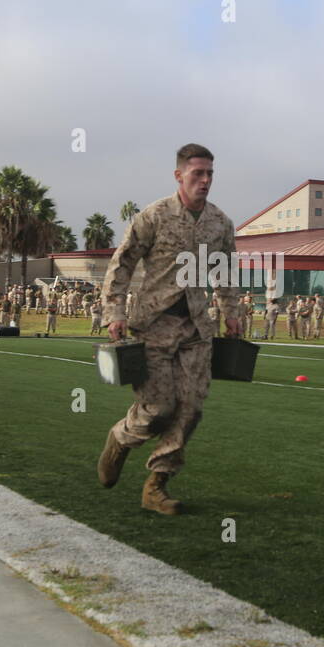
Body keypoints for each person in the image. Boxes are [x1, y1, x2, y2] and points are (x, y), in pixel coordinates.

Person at [96, 143, 241, 516]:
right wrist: (115, 311)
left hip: (195, 327)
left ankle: (156, 486)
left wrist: (231, 311)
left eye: (210, 173)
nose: (206, 180)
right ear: (179, 175)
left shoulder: (220, 223)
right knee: (159, 408)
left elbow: (224, 272)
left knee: (191, 408)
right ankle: (120, 439)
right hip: (153, 325)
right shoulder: (154, 216)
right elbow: (122, 263)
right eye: (198, 173)